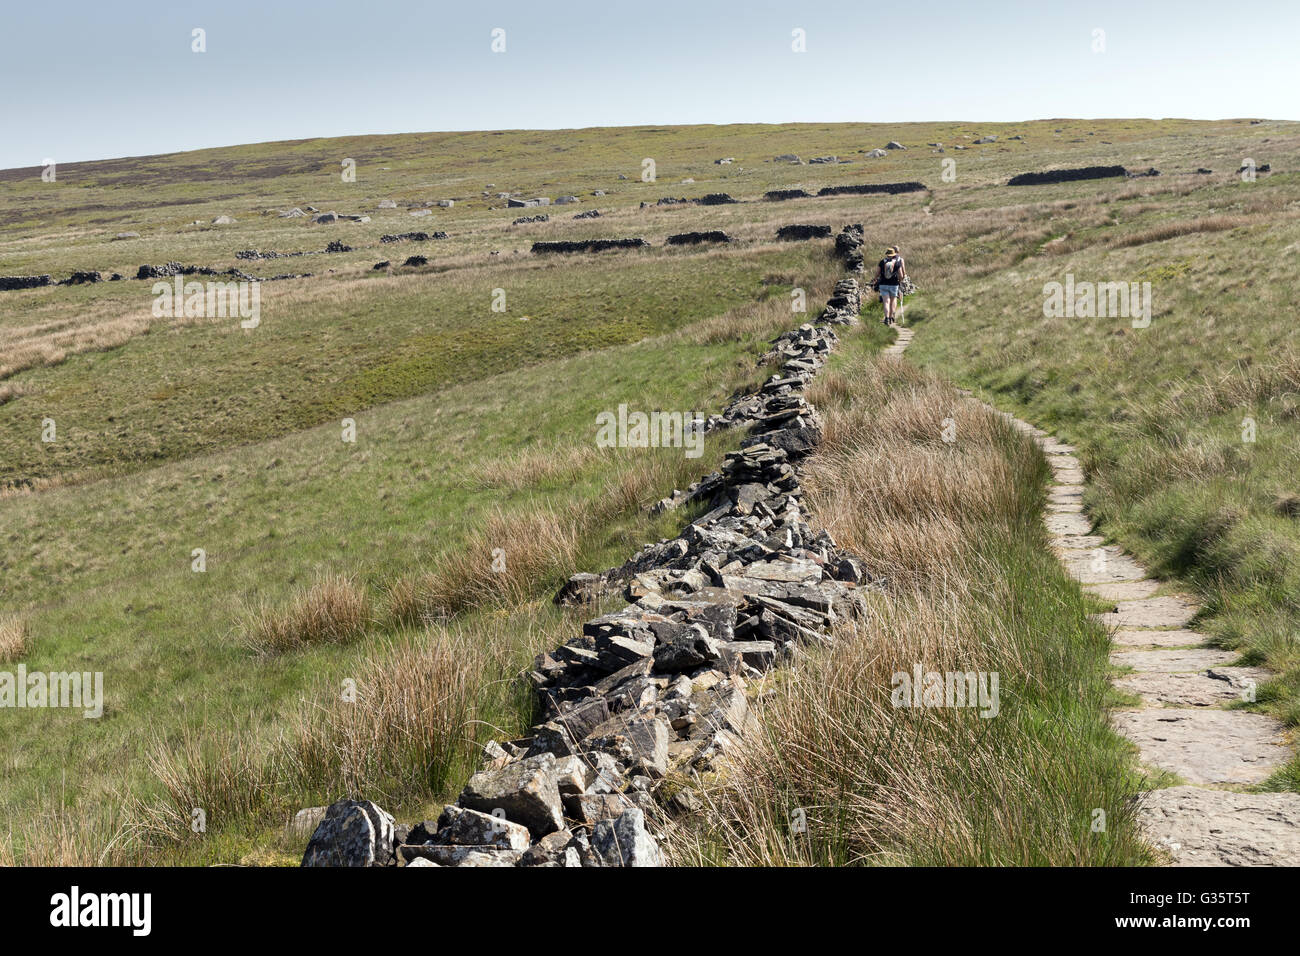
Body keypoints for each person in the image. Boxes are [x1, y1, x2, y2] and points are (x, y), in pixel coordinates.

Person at [875, 246, 906, 326]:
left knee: (886, 301)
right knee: (893, 300)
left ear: (887, 254)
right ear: (893, 254)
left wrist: (875, 279)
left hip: (883, 284)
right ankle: (891, 316)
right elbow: (901, 275)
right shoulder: (897, 263)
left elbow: (877, 273)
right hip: (894, 284)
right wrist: (900, 281)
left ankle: (886, 318)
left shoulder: (882, 262)